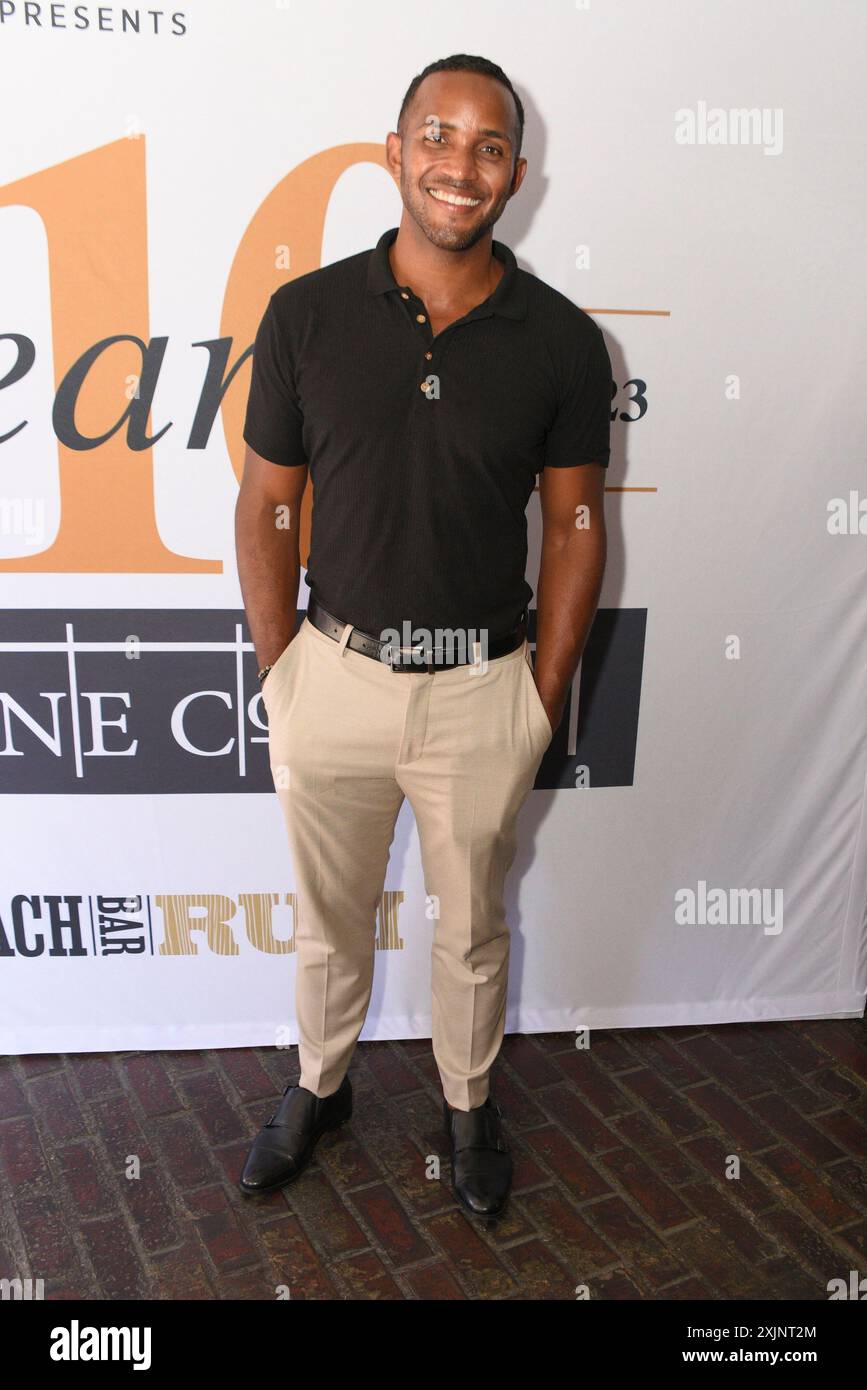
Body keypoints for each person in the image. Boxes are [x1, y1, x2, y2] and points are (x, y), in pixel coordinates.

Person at [234, 53, 611, 1218]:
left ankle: (467, 1105)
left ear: (517, 175)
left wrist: (542, 694)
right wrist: (284, 673)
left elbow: (576, 526)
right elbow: (267, 504)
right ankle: (320, 1085)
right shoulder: (305, 314)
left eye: (489, 146)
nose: (461, 164)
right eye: (438, 137)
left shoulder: (560, 340)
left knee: (474, 931)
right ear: (395, 155)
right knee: (327, 923)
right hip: (332, 675)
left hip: (481, 691)